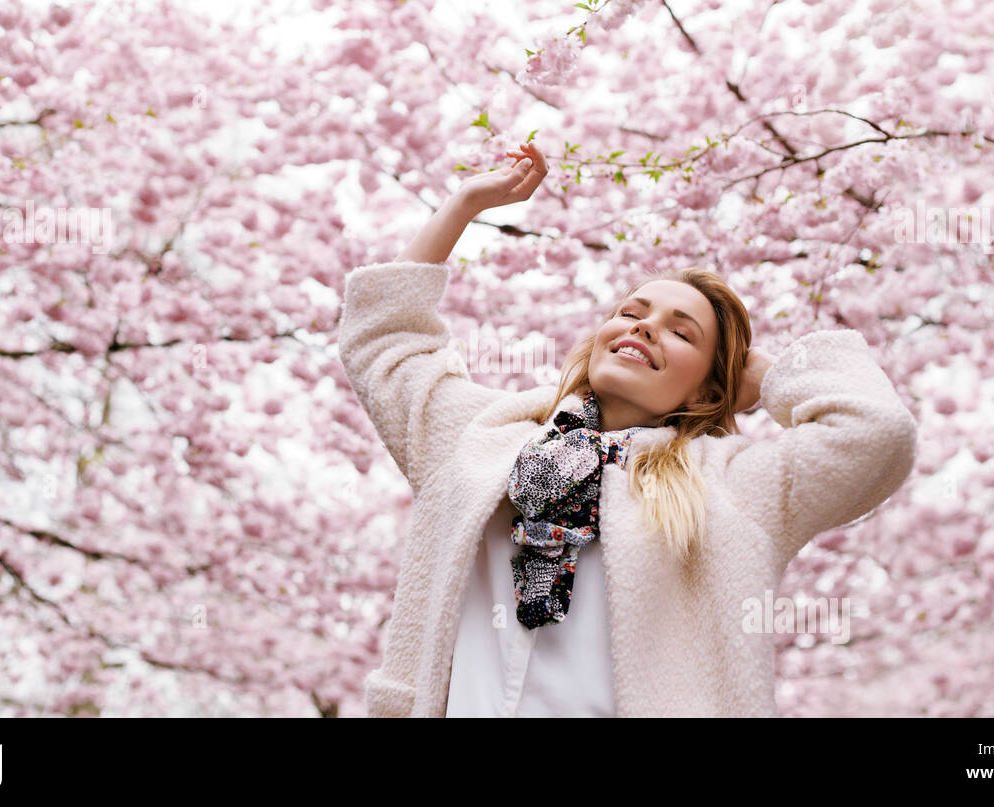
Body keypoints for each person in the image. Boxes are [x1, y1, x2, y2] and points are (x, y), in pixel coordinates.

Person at [336, 141, 918, 717]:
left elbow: (876, 432)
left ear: (710, 389)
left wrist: (764, 374)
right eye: (631, 314)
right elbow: (385, 339)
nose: (642, 329)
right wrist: (462, 206)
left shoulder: (733, 486)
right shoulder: (486, 438)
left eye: (680, 332)